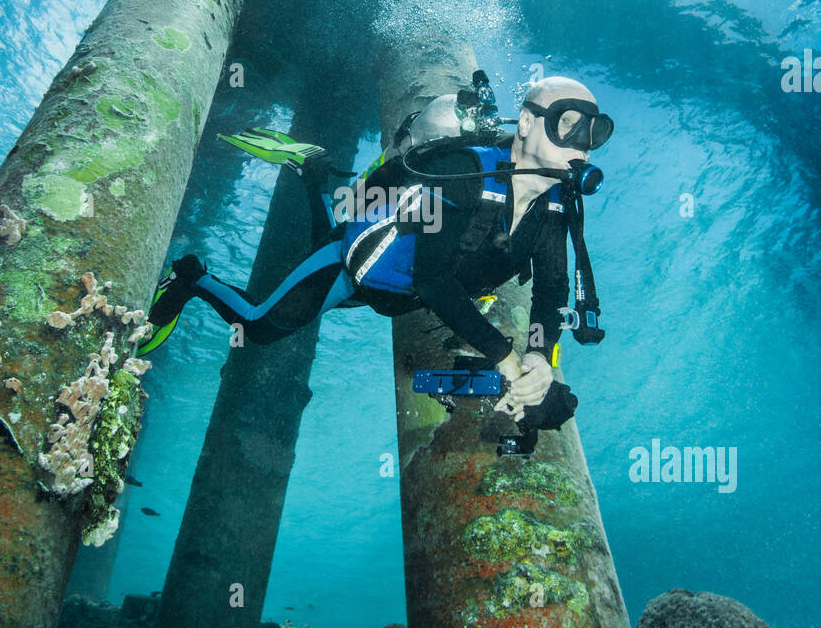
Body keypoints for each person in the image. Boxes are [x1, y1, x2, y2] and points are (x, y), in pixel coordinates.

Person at [142, 77, 612, 422]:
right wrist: (506, 360)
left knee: (315, 257)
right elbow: (434, 280)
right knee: (260, 324)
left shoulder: (555, 205)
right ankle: (190, 276)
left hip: (395, 290)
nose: (583, 147)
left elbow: (551, 290)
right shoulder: (460, 171)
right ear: (526, 123)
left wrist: (538, 354)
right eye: (569, 125)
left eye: (594, 134)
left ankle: (314, 176)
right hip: (353, 268)